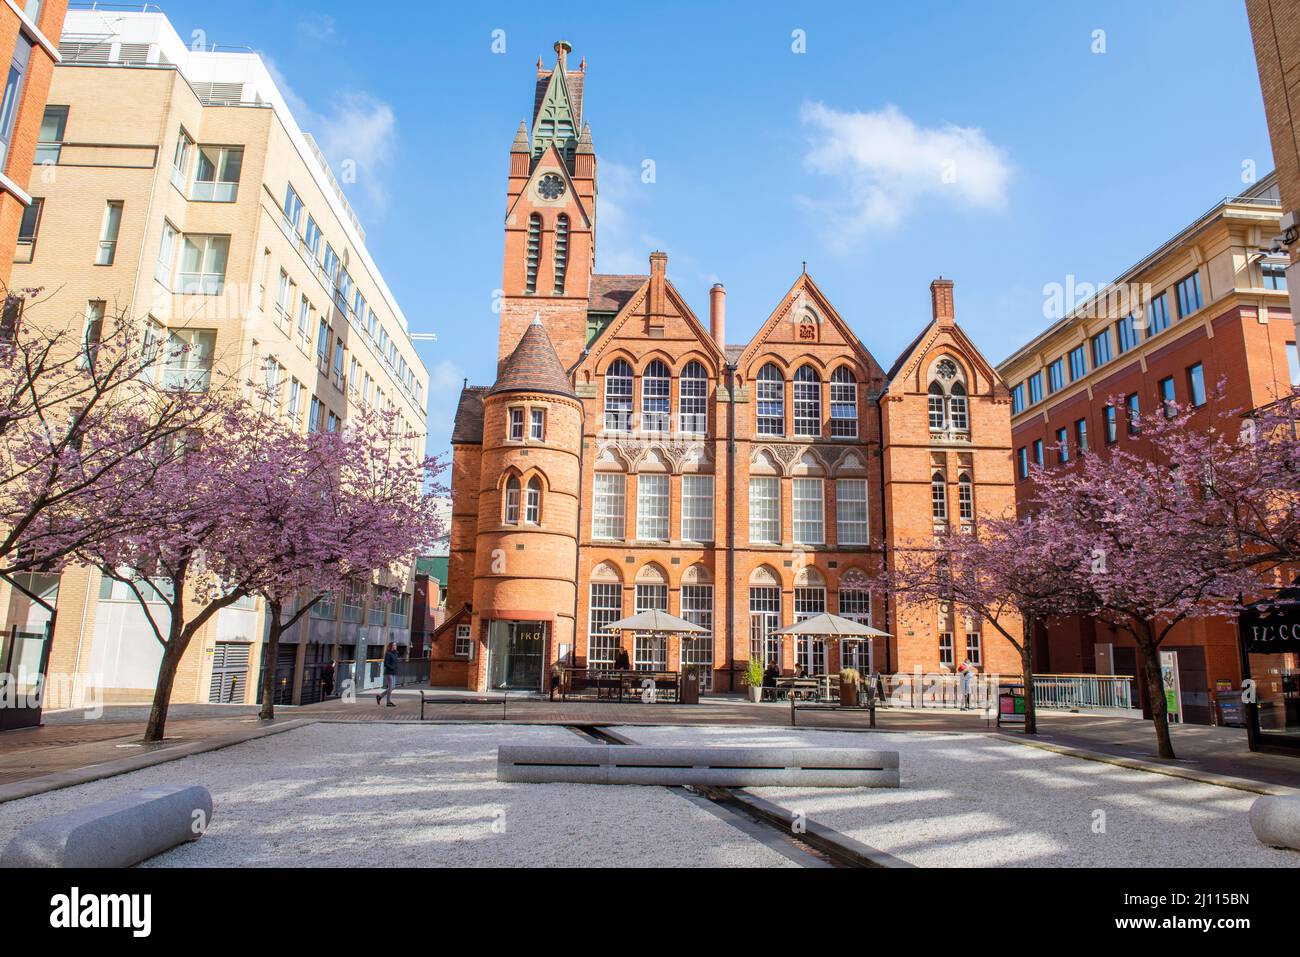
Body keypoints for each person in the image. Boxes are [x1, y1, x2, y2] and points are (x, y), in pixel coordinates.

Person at [376, 642, 400, 707]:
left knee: (392, 687)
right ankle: (388, 702)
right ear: (391, 646)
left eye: (396, 645)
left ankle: (380, 696)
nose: (395, 646)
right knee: (390, 687)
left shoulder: (396, 653)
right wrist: (392, 668)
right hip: (389, 672)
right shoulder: (388, 653)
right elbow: (386, 664)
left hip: (394, 672)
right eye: (394, 645)